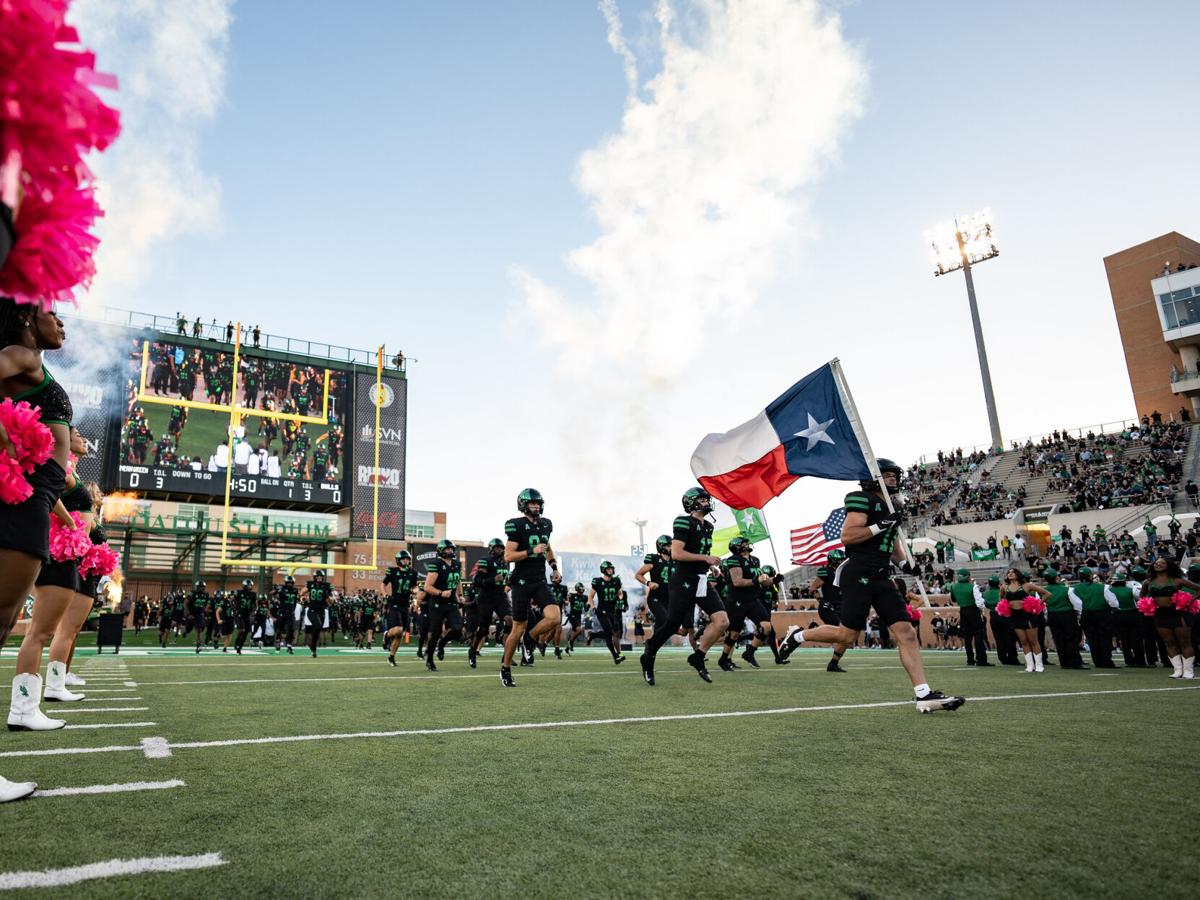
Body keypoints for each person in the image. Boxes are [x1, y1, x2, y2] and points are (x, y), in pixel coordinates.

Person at [778, 459, 966, 713]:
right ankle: (798, 636)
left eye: (894, 475)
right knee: (847, 636)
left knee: (907, 633)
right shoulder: (861, 499)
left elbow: (893, 547)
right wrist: (882, 524)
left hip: (882, 576)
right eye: (886, 475)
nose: (893, 479)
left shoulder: (892, 505)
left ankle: (923, 694)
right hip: (859, 572)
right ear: (873, 478)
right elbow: (848, 535)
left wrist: (905, 565)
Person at [2, 302, 75, 735]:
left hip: (38, 496)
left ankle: (24, 710)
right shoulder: (23, 355)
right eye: (52, 312)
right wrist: (6, 441)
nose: (61, 322)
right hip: (24, 497)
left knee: (7, 618)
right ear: (27, 318)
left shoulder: (31, 362)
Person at [639, 487, 729, 686]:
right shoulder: (683, 521)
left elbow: (700, 551)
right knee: (672, 625)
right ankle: (650, 652)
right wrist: (705, 558)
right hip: (684, 580)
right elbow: (677, 554)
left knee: (722, 621)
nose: (706, 502)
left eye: (707, 500)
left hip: (701, 579)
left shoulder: (708, 526)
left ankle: (698, 656)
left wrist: (710, 566)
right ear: (691, 503)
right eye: (702, 500)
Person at [500, 489, 561, 687]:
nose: (536, 506)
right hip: (521, 582)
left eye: (538, 503)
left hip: (539, 579)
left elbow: (547, 547)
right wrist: (530, 551)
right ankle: (505, 668)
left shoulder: (545, 524)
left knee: (555, 617)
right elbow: (508, 556)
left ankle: (530, 638)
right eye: (532, 503)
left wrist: (554, 567)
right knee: (517, 628)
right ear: (523, 505)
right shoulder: (516, 524)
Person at [1140, 558, 1197, 679]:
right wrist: (1146, 603)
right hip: (1160, 614)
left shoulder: (1177, 580)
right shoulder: (1148, 582)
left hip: (1178, 613)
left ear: (1168, 566)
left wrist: (1190, 600)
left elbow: (1198, 588)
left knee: (1185, 642)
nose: (1158, 564)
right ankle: (1177, 670)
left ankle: (1188, 671)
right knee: (1169, 642)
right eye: (1156, 563)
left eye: (1162, 563)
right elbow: (1142, 594)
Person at [422, 540, 463, 672]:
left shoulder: (456, 564)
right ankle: (429, 660)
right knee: (435, 633)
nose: (450, 551)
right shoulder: (436, 564)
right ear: (441, 550)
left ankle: (442, 643)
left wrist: (460, 594)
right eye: (447, 549)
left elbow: (457, 580)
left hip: (451, 602)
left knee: (458, 629)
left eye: (451, 549)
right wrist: (440, 593)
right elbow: (427, 587)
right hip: (437, 603)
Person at [1002, 569, 1051, 673]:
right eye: (1009, 572)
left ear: (1018, 574)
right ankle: (1030, 665)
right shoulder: (1004, 587)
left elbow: (1047, 593)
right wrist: (1005, 606)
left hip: (1027, 615)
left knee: (1033, 641)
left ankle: (1039, 665)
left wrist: (1038, 604)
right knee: (1023, 641)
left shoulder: (1026, 585)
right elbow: (1001, 599)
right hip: (1014, 616)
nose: (1010, 573)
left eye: (1013, 572)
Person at [1069, 567, 1119, 668]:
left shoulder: (1072, 589)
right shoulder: (1103, 587)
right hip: (1102, 614)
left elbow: (1077, 605)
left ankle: (1097, 661)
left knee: (1092, 639)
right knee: (1105, 638)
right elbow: (1114, 603)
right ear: (1091, 576)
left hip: (1086, 615)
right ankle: (1106, 661)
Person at [811, 548, 851, 672]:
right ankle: (801, 636)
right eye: (840, 560)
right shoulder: (826, 571)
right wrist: (821, 601)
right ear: (833, 560)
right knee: (841, 633)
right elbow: (813, 588)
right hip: (829, 606)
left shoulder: (843, 572)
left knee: (846, 634)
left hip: (840, 606)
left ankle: (834, 663)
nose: (842, 562)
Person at [1043, 568, 1086, 669]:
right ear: (1057, 578)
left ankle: (1064, 663)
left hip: (1052, 615)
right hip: (1067, 614)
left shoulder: (1043, 590)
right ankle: (1074, 662)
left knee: (1058, 639)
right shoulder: (1067, 589)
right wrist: (1079, 614)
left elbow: (1042, 605)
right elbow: (1078, 604)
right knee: (1071, 638)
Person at [382, 551, 419, 665]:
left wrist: (415, 590)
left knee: (400, 634)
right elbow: (383, 584)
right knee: (398, 629)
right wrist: (385, 595)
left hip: (405, 605)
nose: (405, 561)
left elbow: (415, 586)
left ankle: (391, 657)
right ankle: (387, 635)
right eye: (403, 559)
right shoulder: (393, 571)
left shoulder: (413, 572)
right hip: (394, 603)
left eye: (407, 559)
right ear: (398, 560)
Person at [948, 568, 991, 666]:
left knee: (967, 637)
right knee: (979, 635)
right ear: (968, 577)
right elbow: (979, 602)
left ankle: (970, 660)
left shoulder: (953, 587)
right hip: (973, 611)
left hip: (963, 611)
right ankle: (981, 659)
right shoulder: (973, 586)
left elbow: (953, 600)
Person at [588, 560, 626, 664]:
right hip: (602, 611)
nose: (611, 570)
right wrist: (593, 607)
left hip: (612, 611)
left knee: (616, 633)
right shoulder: (598, 581)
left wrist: (620, 597)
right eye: (609, 569)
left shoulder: (616, 581)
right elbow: (590, 596)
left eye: (611, 569)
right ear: (603, 570)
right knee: (609, 633)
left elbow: (620, 593)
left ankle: (594, 635)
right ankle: (615, 656)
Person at [635, 535, 672, 640]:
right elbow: (638, 575)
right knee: (666, 621)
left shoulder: (675, 560)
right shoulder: (654, 559)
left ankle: (651, 645)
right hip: (655, 598)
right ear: (661, 547)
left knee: (661, 624)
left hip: (669, 598)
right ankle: (653, 643)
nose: (671, 548)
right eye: (669, 545)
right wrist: (648, 583)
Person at [983, 575, 1019, 665]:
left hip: (993, 615)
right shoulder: (1003, 591)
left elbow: (986, 605)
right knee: (1009, 637)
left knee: (998, 638)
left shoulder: (985, 593)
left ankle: (1002, 657)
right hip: (1005, 614)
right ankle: (1012, 658)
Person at [305, 570, 333, 657]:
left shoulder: (326, 586)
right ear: (315, 577)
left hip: (321, 611)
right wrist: (305, 598)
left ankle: (313, 648)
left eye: (321, 577)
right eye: (318, 576)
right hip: (312, 610)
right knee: (317, 626)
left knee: (318, 629)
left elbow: (331, 602)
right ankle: (312, 646)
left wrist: (327, 596)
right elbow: (301, 592)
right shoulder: (310, 584)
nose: (320, 578)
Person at [274, 575, 300, 654]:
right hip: (282, 611)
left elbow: (295, 601)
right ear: (285, 583)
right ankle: (278, 642)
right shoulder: (282, 588)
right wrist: (277, 591)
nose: (290, 584)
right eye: (288, 583)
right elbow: (273, 593)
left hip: (290, 613)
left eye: (291, 583)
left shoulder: (295, 590)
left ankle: (289, 645)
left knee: (291, 630)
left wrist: (293, 610)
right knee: (279, 629)